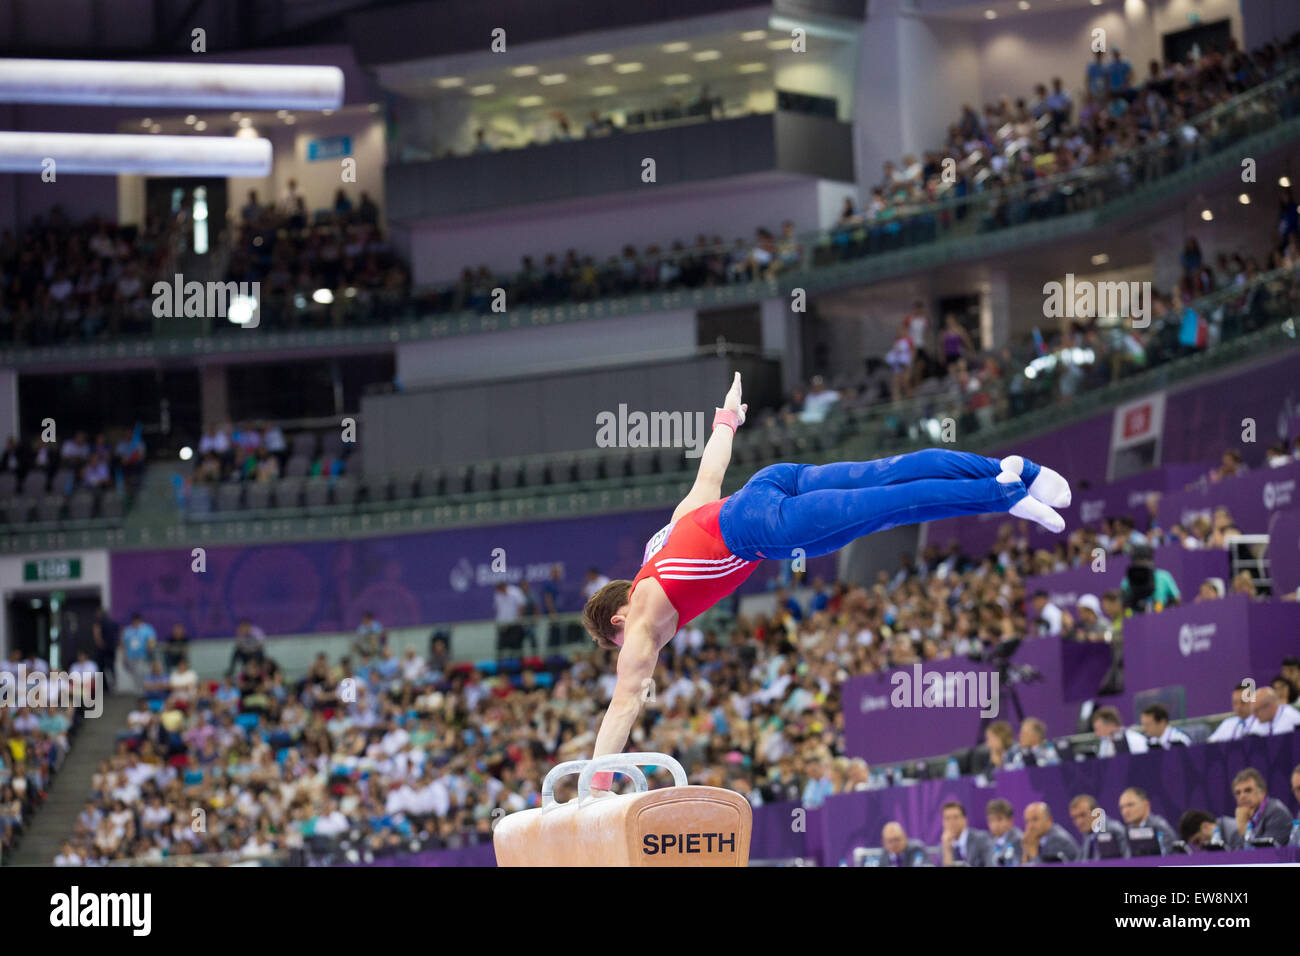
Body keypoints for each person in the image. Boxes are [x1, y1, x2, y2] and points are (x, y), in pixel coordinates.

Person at [581, 373, 1072, 785]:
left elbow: (625, 700)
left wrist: (596, 785)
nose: (627, 649)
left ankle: (1001, 494)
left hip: (764, 528)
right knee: (885, 474)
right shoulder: (658, 549)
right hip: (769, 482)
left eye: (616, 640)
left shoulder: (643, 620)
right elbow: (708, 478)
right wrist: (727, 419)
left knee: (888, 507)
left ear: (619, 617)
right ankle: (1016, 470)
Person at [1228, 768, 1294, 849]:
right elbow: (1233, 852)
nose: (1242, 796)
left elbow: (1264, 852)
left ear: (1262, 792)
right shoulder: (1244, 817)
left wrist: (1243, 827)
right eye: (1238, 793)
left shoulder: (1277, 813)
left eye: (1248, 790)